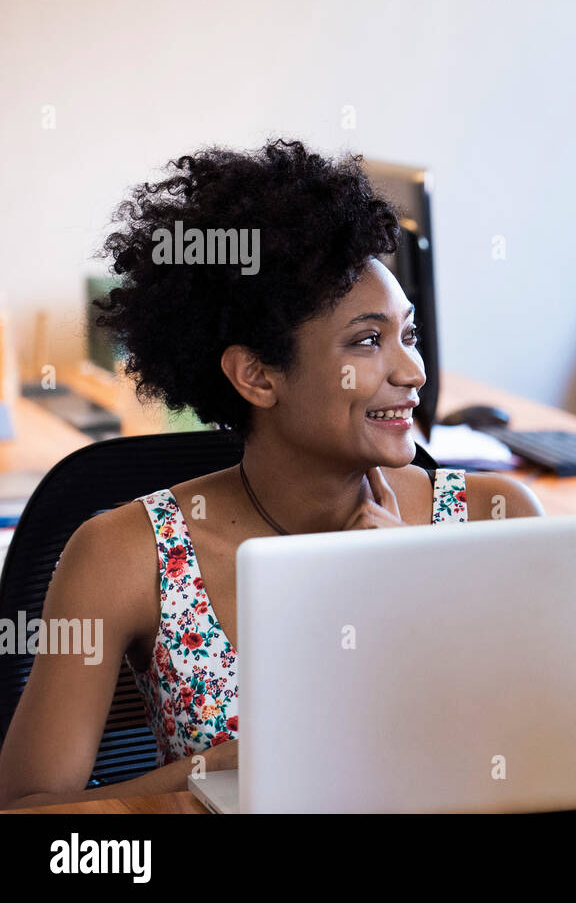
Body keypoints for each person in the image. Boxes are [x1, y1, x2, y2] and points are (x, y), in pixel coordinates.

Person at [0, 139, 541, 809]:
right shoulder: (125, 555)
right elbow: (26, 810)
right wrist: (220, 768)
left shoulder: (498, 521)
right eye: (368, 341)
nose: (414, 372)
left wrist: (410, 593)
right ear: (257, 375)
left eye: (410, 333)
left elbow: (557, 754)